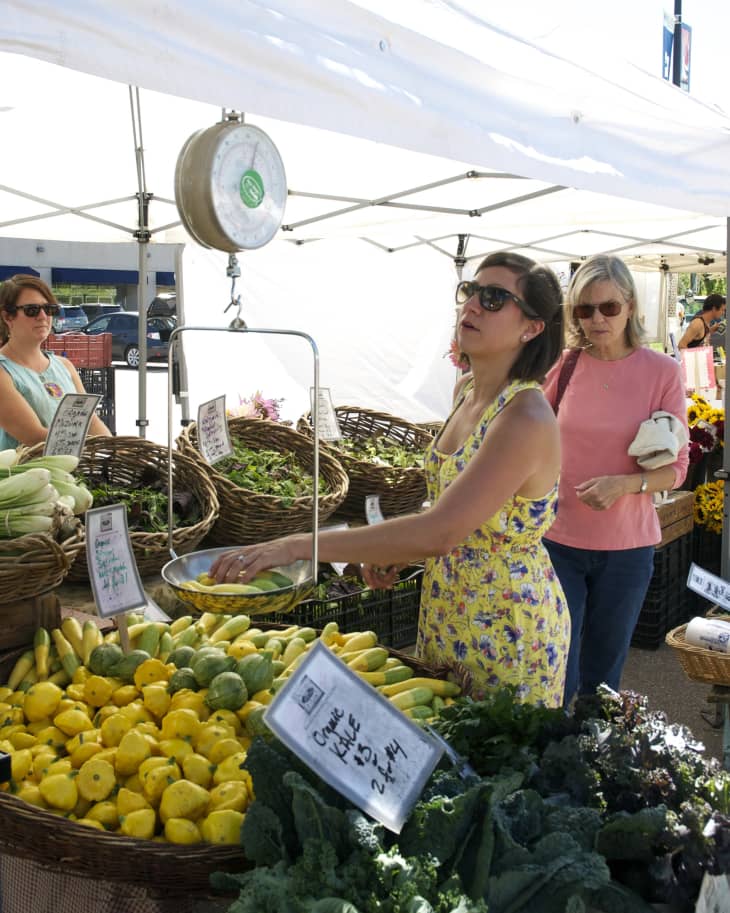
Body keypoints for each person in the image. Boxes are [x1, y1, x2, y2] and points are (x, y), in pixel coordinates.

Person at [211, 251, 570, 707]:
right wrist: (400, 551)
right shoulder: (466, 393)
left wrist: (298, 545)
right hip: (451, 604)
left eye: (495, 298)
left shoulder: (525, 416)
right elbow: (455, 511)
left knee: (496, 761)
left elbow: (441, 531)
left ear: (532, 327)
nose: (473, 306)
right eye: (471, 291)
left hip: (507, 623)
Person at [543, 254, 689, 707]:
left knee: (602, 675)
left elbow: (677, 468)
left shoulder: (662, 371)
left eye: (608, 307)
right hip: (556, 538)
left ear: (629, 306)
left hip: (627, 548)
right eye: (583, 310)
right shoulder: (561, 367)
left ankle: (589, 764)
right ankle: (546, 762)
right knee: (554, 661)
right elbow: (529, 435)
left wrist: (622, 485)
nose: (596, 320)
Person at [0, 274, 112, 448]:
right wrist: (94, 448)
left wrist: (115, 449)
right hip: (29, 473)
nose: (43, 316)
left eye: (49, 308)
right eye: (32, 310)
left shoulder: (64, 366)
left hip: (73, 472)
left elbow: (91, 421)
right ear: (8, 317)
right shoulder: (3, 372)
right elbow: (34, 436)